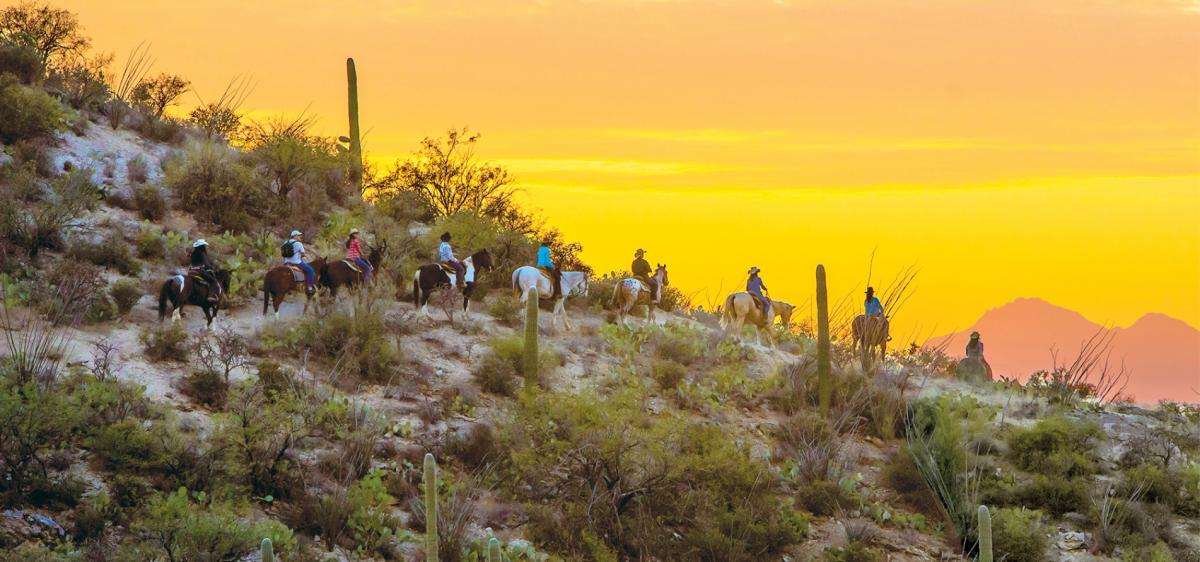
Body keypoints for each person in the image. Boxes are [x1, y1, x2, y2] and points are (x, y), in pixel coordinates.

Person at [283, 230, 315, 294]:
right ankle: (310, 287)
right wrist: (302, 256)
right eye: (299, 235)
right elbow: (303, 254)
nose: (300, 236)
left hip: (286, 262)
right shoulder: (299, 244)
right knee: (311, 270)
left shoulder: (285, 242)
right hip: (296, 262)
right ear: (295, 236)